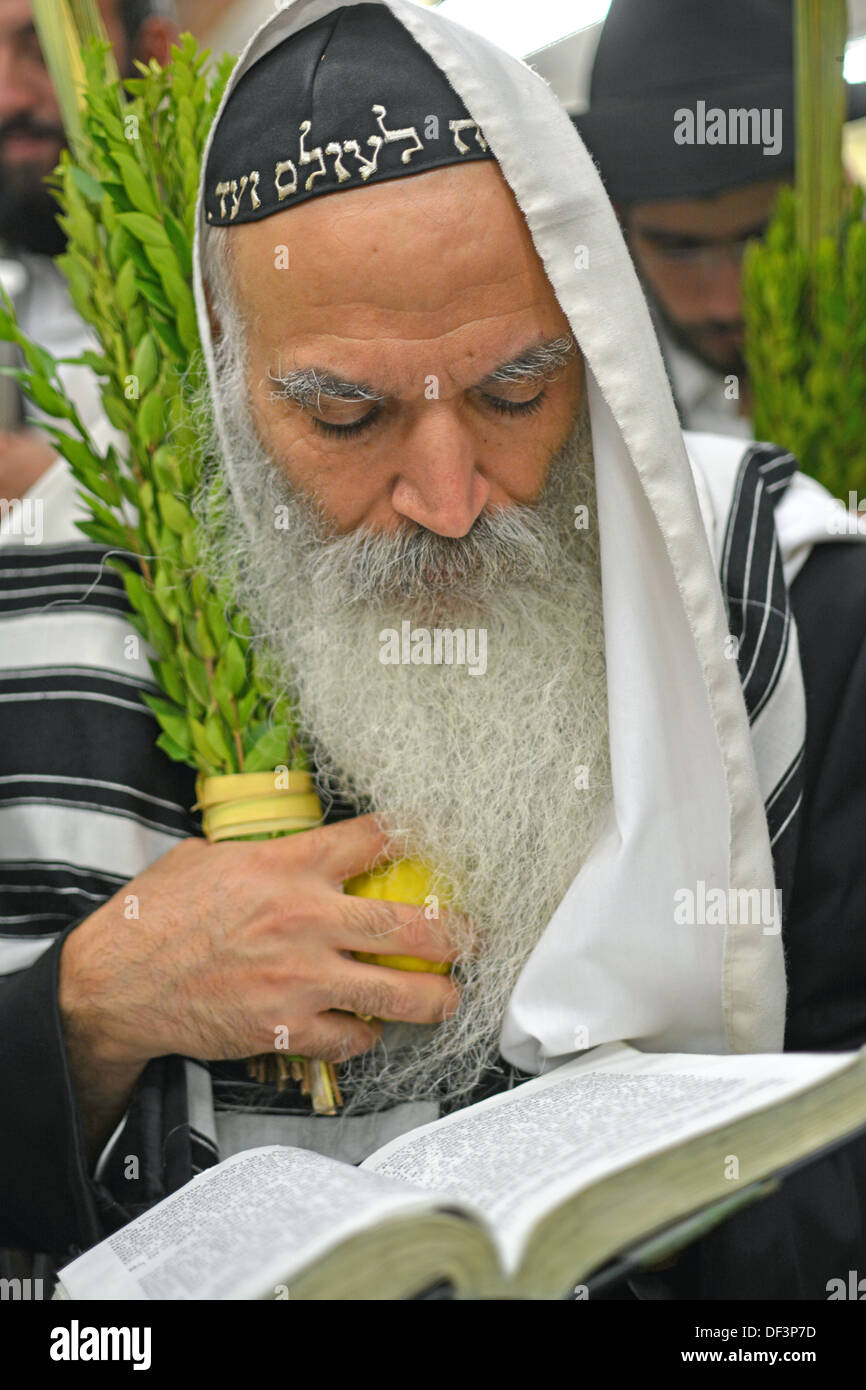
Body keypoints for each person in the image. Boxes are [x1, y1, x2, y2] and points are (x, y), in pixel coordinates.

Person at [1, 0, 865, 1302]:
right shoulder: (59, 607)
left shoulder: (797, 611)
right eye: (344, 415)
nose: (450, 496)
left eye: (517, 391)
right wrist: (88, 1009)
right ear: (226, 379)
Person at [573, 0, 866, 438]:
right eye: (679, 248)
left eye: (764, 238)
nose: (730, 300)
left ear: (839, 194)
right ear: (617, 223)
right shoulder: (584, 414)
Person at [0, 0, 177, 514]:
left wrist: (65, 495)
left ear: (154, 57)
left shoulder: (233, 279)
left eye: (41, 49)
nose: (7, 98)